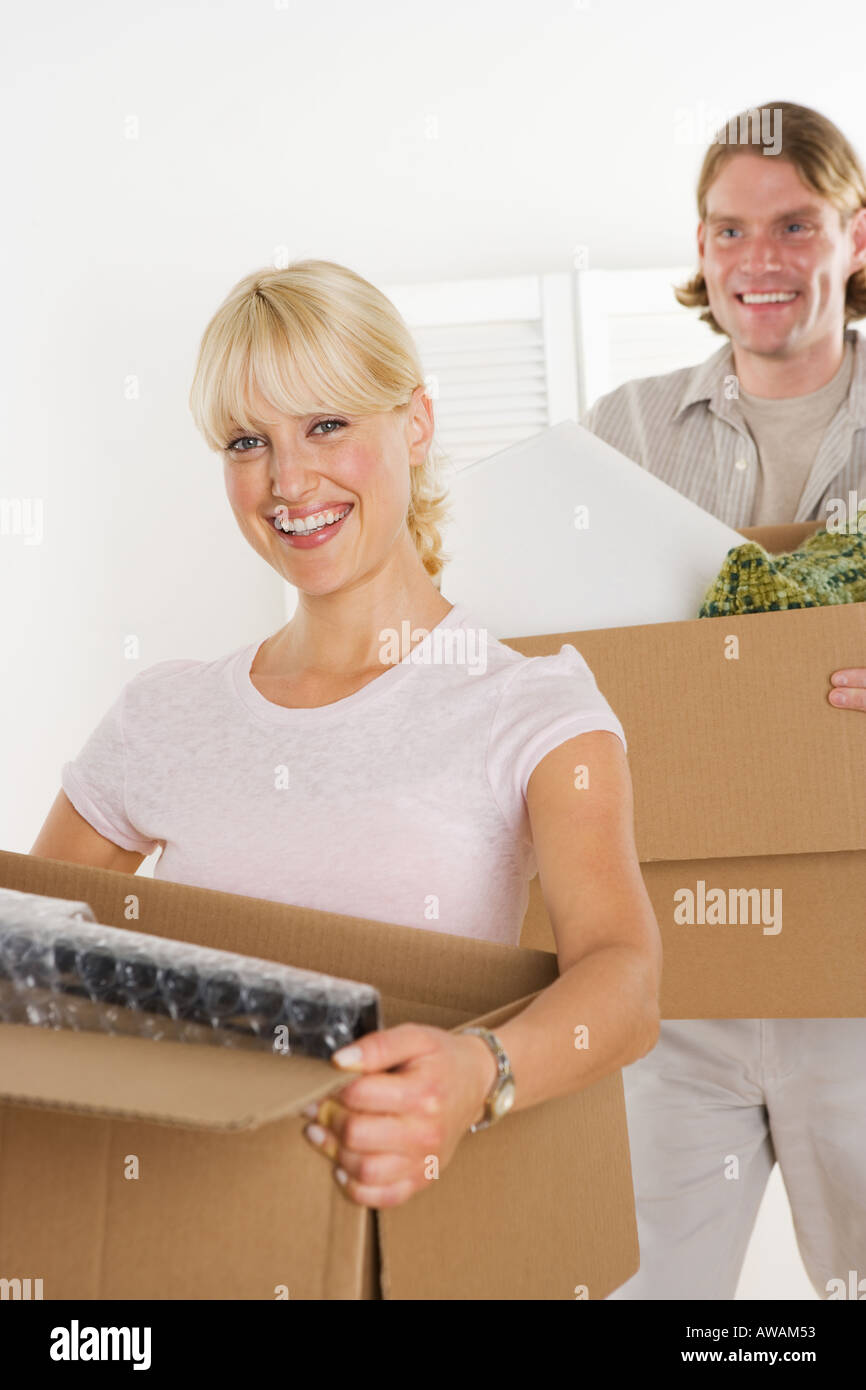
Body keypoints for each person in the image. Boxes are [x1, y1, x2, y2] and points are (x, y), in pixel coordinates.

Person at [32, 258, 660, 1215]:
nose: (288, 481)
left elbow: (624, 980)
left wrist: (478, 1072)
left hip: (408, 1239)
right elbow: (31, 960)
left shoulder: (533, 708)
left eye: (327, 424)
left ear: (415, 421)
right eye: (248, 442)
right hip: (198, 1224)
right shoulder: (163, 715)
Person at [584, 101, 866, 1299]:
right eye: (728, 230)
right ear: (700, 251)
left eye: (794, 225)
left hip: (855, 978)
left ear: (853, 236)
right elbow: (550, 664)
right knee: (656, 1300)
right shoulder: (622, 436)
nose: (759, 261)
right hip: (677, 975)